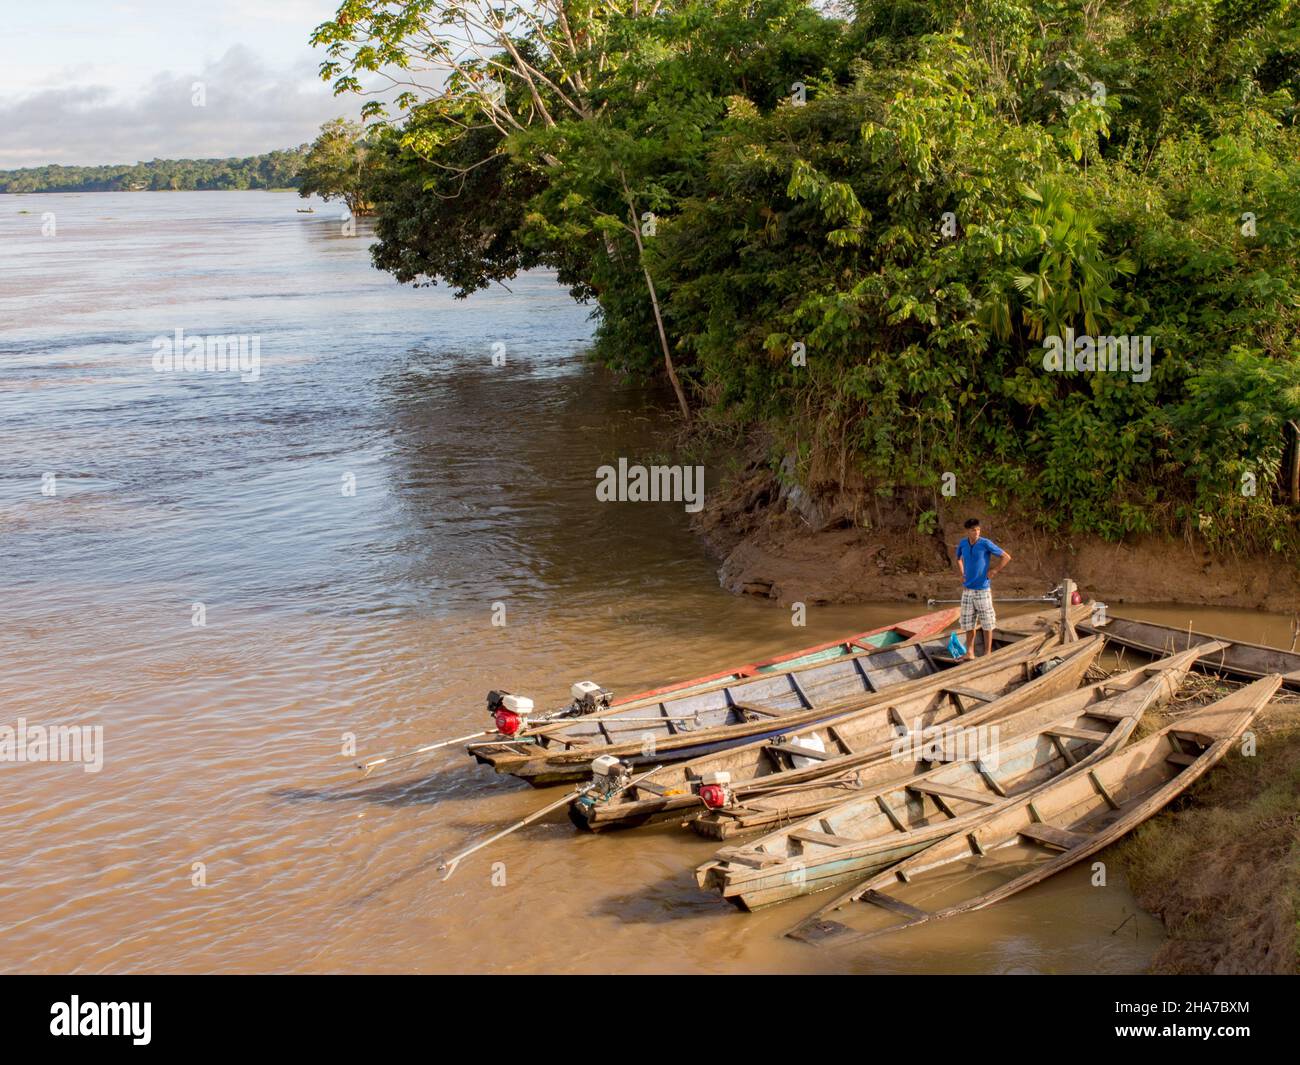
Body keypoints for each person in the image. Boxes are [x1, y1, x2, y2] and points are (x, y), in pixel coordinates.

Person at [954, 517, 1011, 660]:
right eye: (973, 530)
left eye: (978, 529)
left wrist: (995, 570)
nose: (977, 532)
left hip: (982, 589)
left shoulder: (985, 543)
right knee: (968, 623)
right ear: (968, 531)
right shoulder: (963, 544)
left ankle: (987, 654)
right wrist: (962, 574)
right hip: (967, 590)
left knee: (987, 622)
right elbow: (958, 559)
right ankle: (970, 652)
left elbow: (1006, 557)